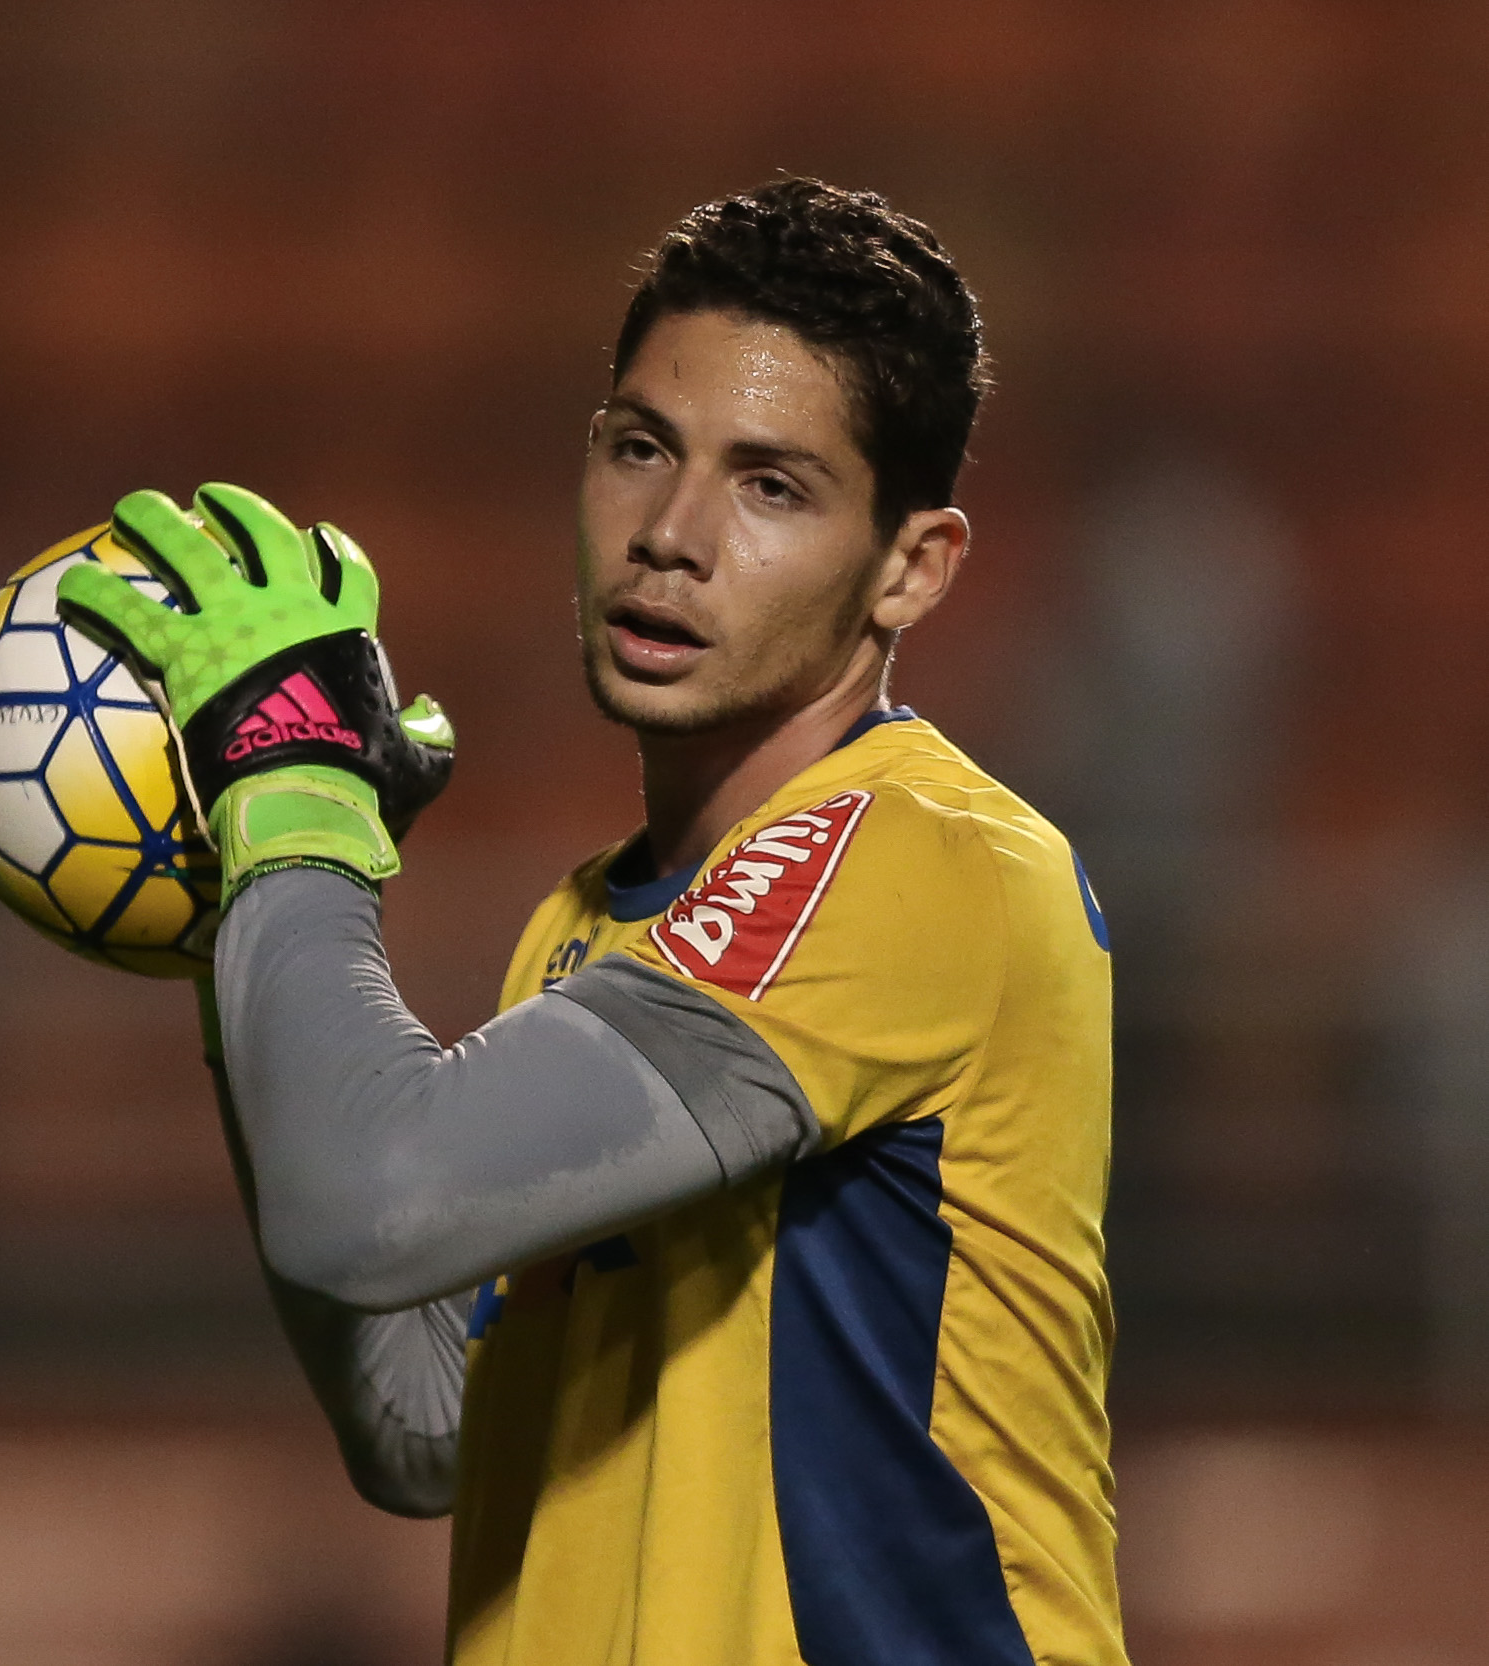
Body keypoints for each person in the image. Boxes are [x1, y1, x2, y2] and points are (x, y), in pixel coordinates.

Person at [58, 177, 1121, 1666]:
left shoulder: (920, 861)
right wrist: (245, 905)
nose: (671, 533)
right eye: (640, 449)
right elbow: (424, 1424)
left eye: (772, 487)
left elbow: (371, 1198)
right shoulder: (585, 924)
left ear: (912, 564)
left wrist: (296, 806)